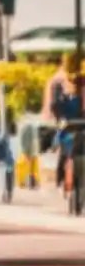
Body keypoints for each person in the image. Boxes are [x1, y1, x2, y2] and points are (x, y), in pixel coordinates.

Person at [42, 51, 83, 188]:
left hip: (77, 129)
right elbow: (55, 107)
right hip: (67, 130)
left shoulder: (77, 98)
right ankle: (61, 180)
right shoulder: (62, 95)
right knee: (65, 152)